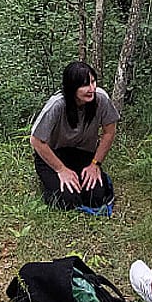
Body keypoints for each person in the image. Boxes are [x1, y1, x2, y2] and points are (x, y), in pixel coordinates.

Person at [29, 60, 119, 212]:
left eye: (93, 82)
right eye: (85, 85)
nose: (91, 88)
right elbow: (36, 140)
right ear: (72, 88)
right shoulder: (57, 104)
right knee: (67, 200)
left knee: (96, 198)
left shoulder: (101, 99)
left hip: (83, 154)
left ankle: (81, 178)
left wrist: (95, 164)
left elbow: (109, 132)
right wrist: (61, 169)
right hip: (54, 155)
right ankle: (50, 181)